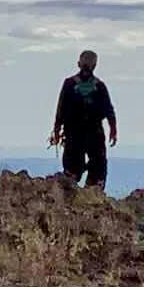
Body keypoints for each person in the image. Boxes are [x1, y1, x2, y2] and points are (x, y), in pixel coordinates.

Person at [49, 50, 117, 190]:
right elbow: (109, 111)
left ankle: (69, 195)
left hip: (73, 133)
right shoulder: (100, 86)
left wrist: (56, 130)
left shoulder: (69, 84)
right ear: (95, 66)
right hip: (95, 133)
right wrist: (113, 130)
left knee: (72, 170)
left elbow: (60, 109)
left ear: (79, 64)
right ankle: (93, 194)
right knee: (98, 167)